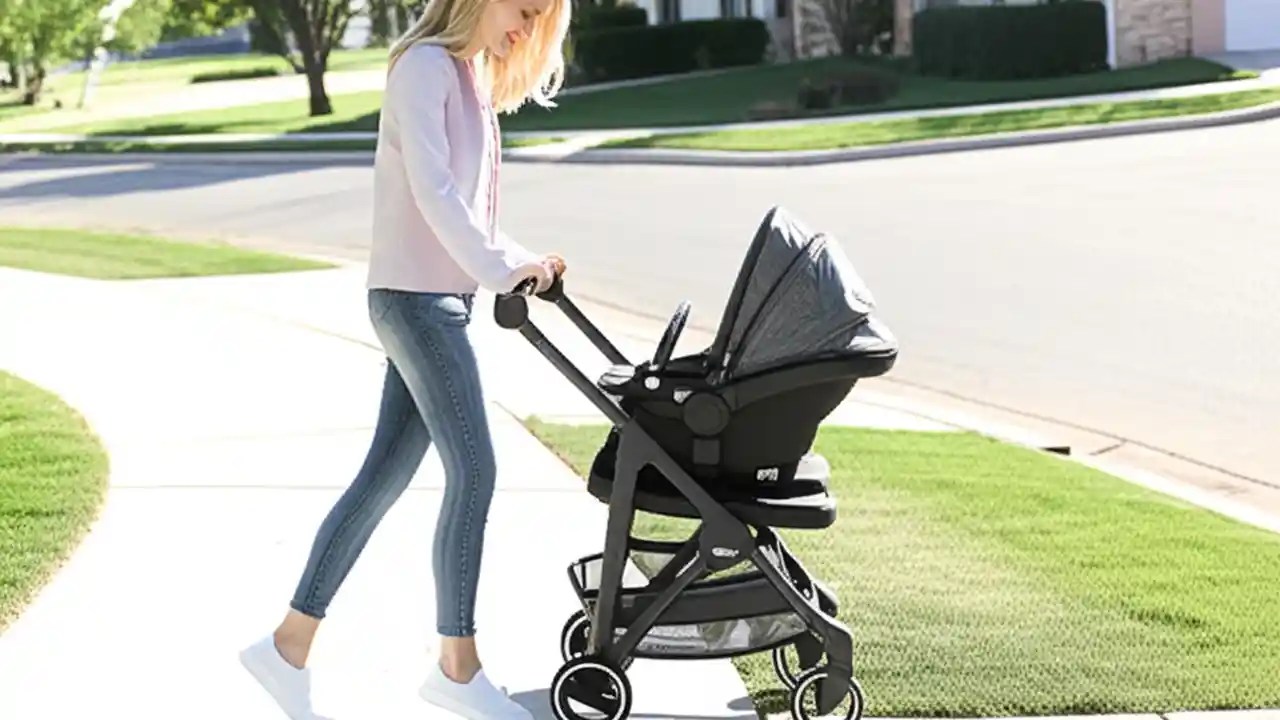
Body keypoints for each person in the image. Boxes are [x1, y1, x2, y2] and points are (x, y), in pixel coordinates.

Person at [238, 0, 571, 717]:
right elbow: (433, 191)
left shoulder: (467, 76)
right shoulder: (423, 67)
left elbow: (471, 214)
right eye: (524, 10)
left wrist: (522, 260)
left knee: (382, 479)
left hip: (436, 300)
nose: (526, 29)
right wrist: (500, 270)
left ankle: (287, 646)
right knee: (475, 470)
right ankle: (457, 668)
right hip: (415, 302)